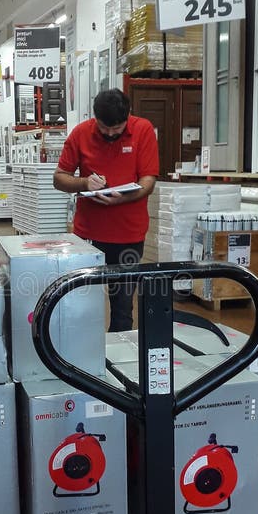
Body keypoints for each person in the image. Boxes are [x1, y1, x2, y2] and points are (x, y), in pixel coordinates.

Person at [54, 88, 159, 332]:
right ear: (95, 118)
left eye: (117, 129)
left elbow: (148, 181)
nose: (110, 134)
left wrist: (119, 200)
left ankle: (119, 353)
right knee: (81, 299)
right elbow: (59, 179)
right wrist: (83, 182)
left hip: (128, 235)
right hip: (88, 235)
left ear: (128, 116)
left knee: (123, 305)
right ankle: (81, 354)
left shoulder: (143, 130)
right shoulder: (80, 134)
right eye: (104, 128)